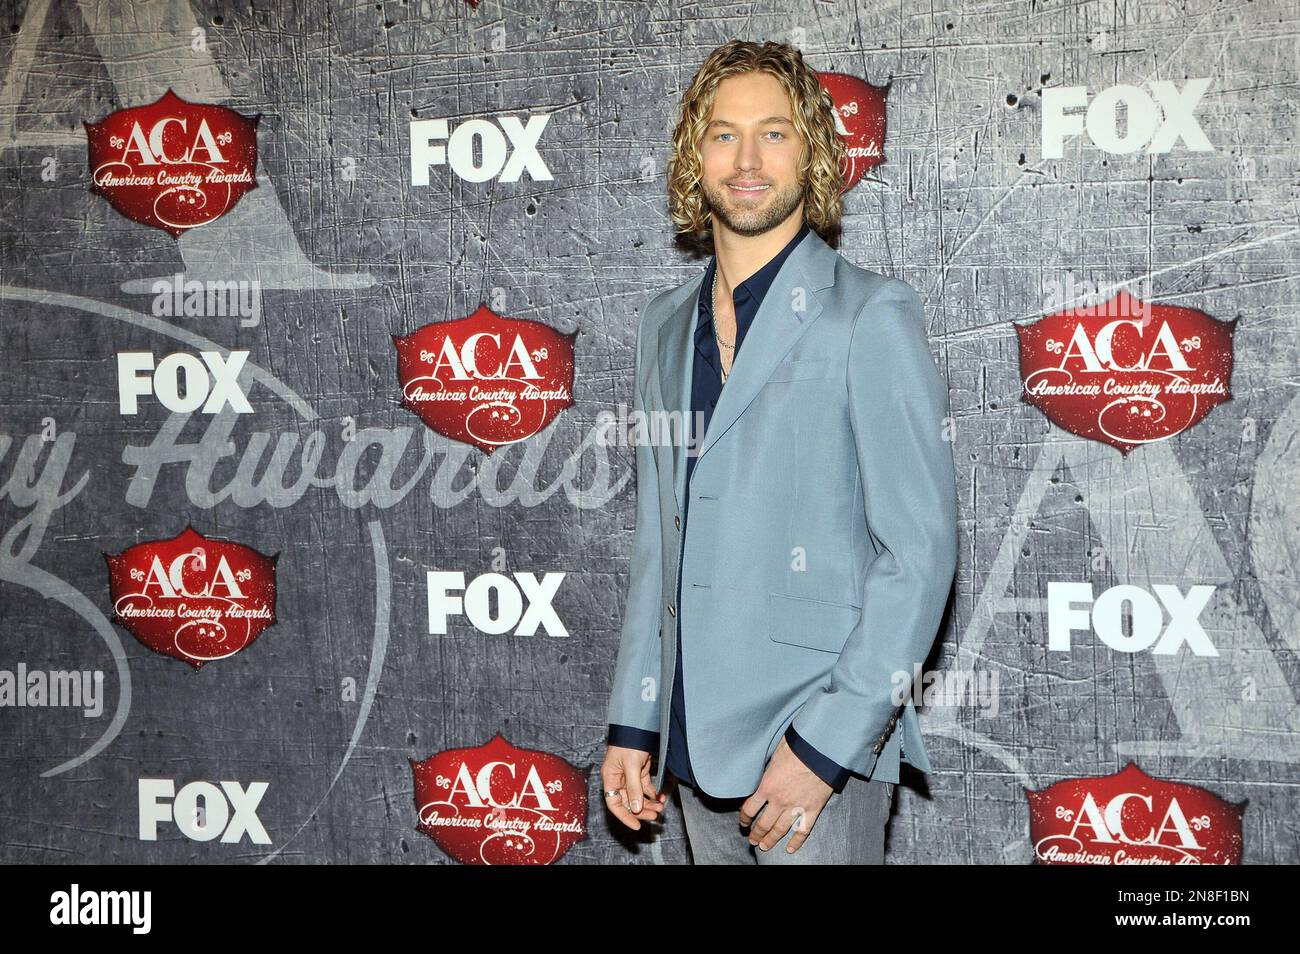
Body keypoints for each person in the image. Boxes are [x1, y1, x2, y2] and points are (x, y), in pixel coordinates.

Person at [601, 39, 958, 864]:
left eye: (775, 132)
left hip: (811, 743)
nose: (748, 159)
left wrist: (828, 747)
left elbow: (920, 553)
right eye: (724, 134)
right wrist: (635, 716)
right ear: (696, 154)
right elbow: (660, 543)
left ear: (815, 152)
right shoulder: (661, 327)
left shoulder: (870, 316)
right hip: (688, 745)